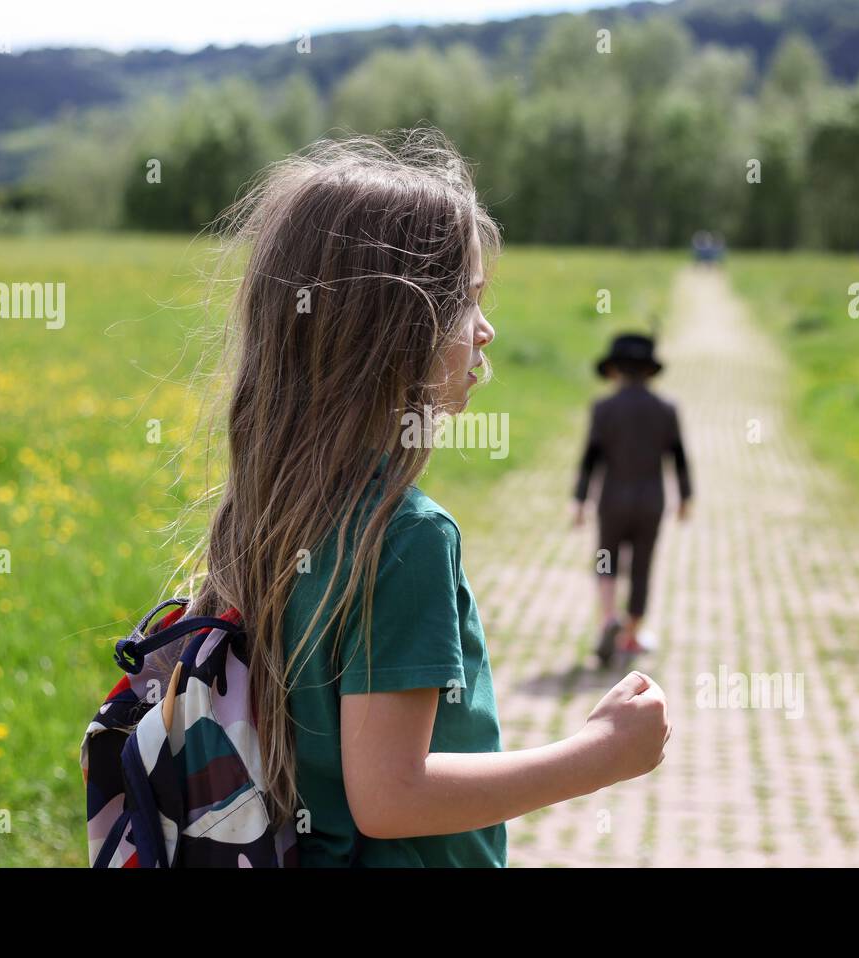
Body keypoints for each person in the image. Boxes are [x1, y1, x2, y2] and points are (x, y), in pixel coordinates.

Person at [178, 131, 670, 866]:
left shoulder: (274, 509)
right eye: (467, 301)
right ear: (393, 331)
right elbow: (391, 797)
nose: (486, 329)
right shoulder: (404, 536)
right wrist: (597, 754)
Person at [573, 333, 692, 667]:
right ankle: (631, 634)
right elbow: (679, 456)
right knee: (642, 566)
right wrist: (685, 497)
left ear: (613, 371)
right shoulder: (666, 409)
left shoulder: (604, 408)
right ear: (650, 372)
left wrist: (580, 499)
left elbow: (591, 457)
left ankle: (609, 616)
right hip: (651, 500)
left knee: (606, 559)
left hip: (611, 499)